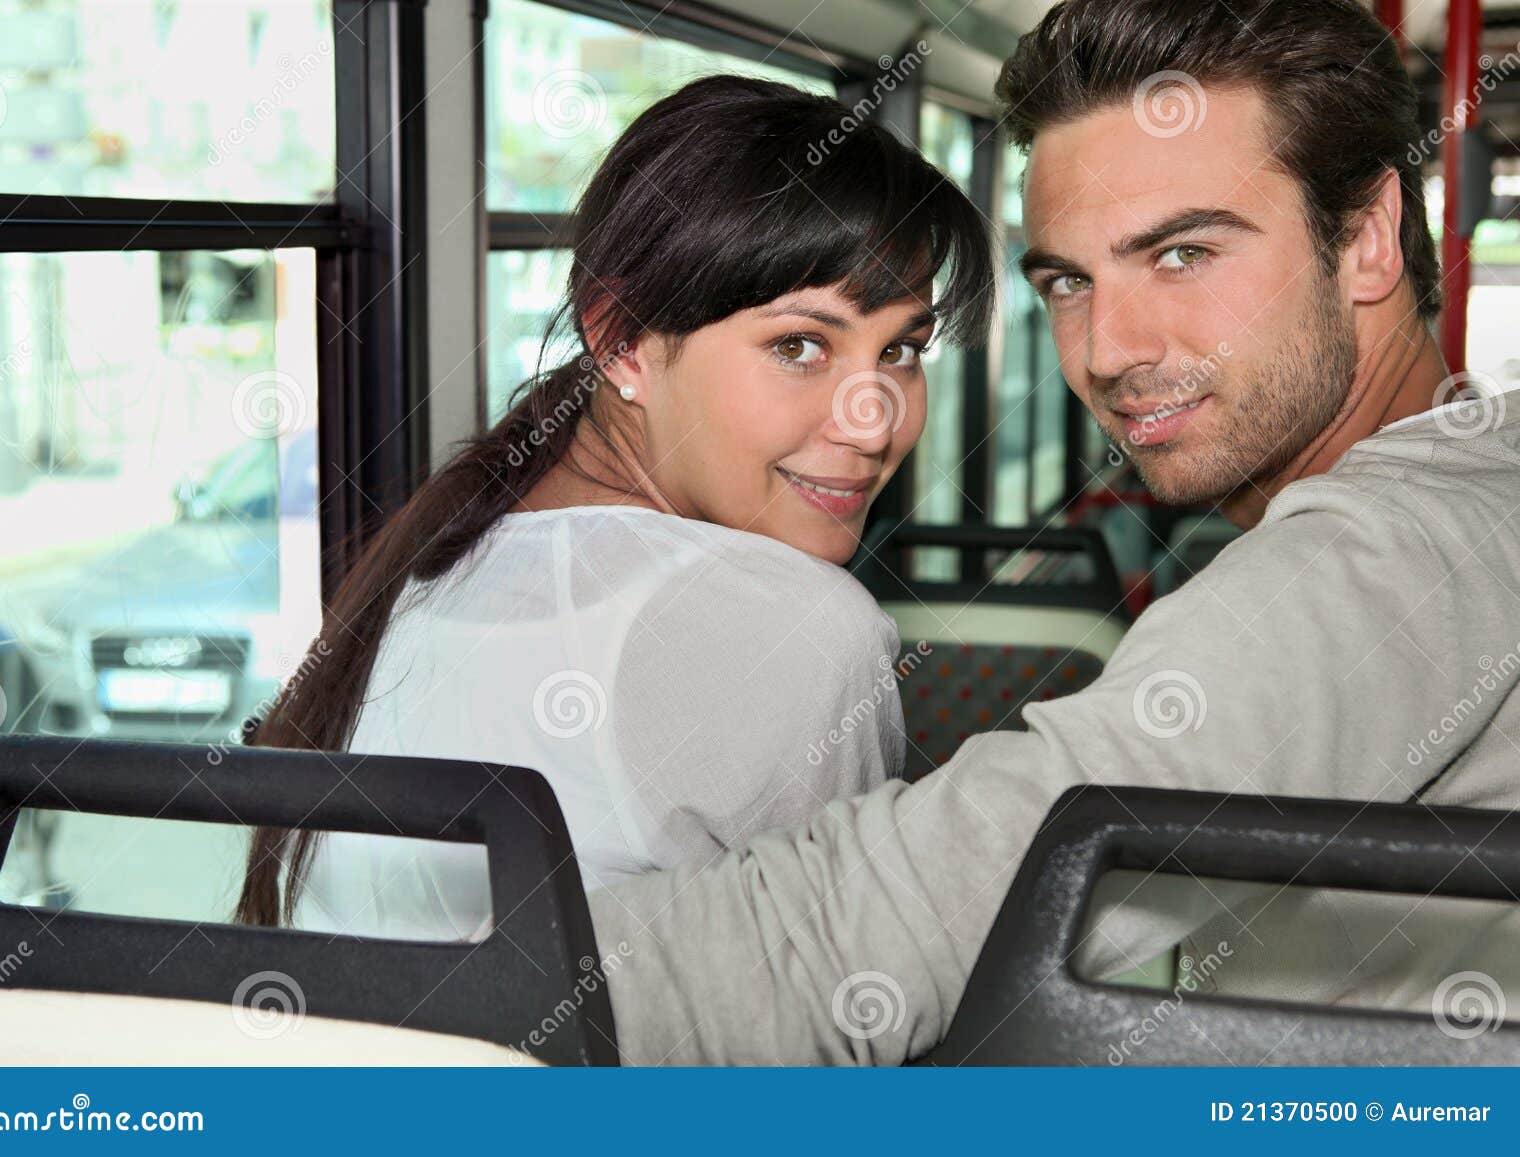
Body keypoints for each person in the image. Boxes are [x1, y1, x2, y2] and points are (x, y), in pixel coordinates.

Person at [586, 0, 1520, 1064]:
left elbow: (881, 920)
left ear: (1361, 237)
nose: (1108, 350)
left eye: (1181, 254)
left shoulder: (1393, 552)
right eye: (1069, 281)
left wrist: (471, 996)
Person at [231, 75, 992, 939]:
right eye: (799, 345)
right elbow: (834, 1024)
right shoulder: (800, 625)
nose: (874, 418)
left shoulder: (434, 563)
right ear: (622, 340)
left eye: (901, 349)